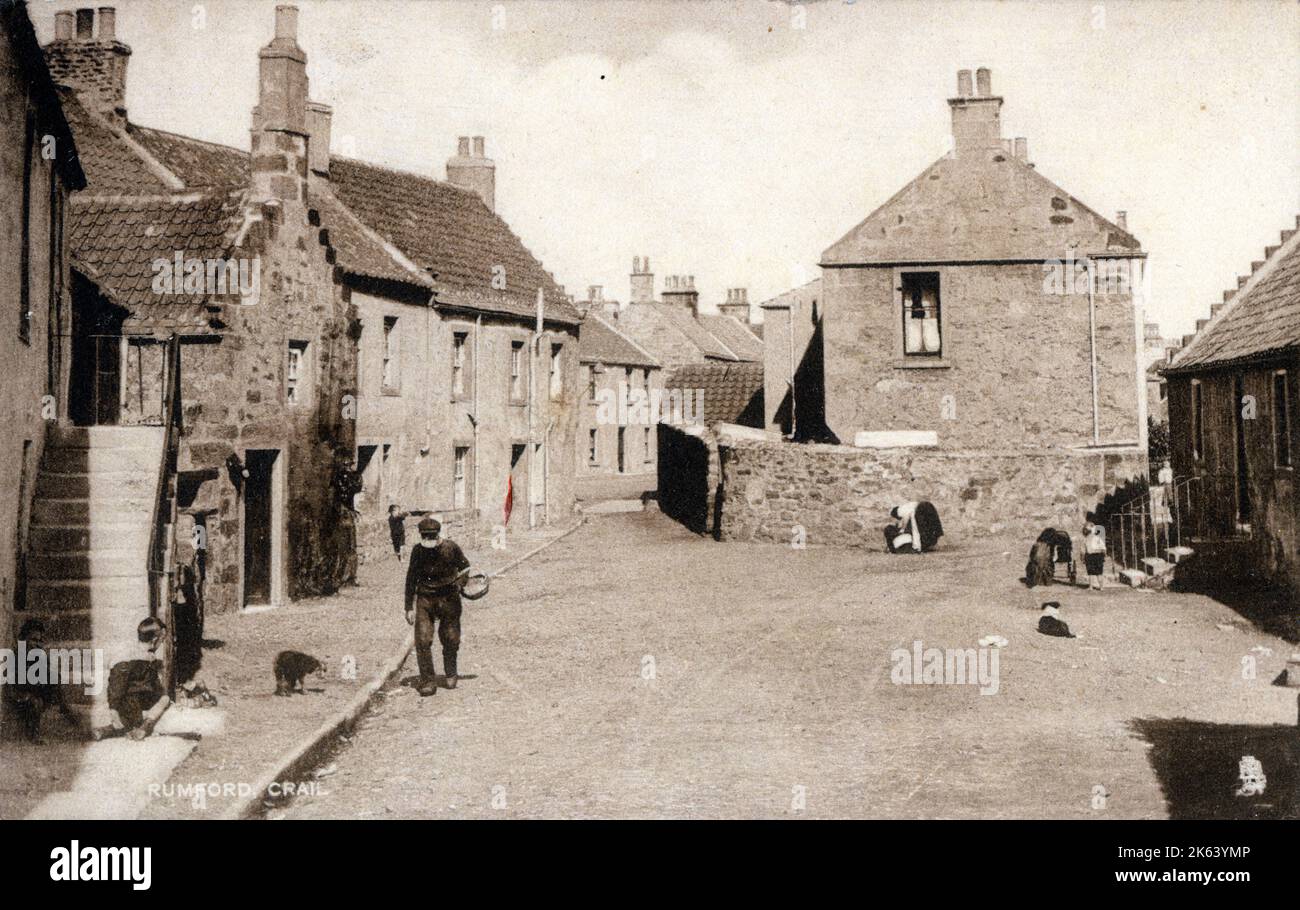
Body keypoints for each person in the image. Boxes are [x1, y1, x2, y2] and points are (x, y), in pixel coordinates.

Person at [404, 517, 471, 696]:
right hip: (425, 599)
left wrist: (460, 584)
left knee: (451, 638)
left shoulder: (451, 548)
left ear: (438, 534)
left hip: (449, 598)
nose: (428, 539)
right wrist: (408, 607)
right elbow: (411, 578)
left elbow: (465, 567)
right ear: (421, 535)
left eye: (431, 536)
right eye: (425, 536)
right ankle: (427, 681)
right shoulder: (417, 551)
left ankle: (450, 671)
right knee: (423, 639)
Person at [92, 617, 171, 741]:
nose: (161, 643)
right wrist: (114, 712)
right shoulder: (145, 659)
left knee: (125, 722)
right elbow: (153, 686)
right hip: (134, 702)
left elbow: (115, 686)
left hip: (125, 702)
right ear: (155, 640)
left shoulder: (127, 654)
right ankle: (146, 726)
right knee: (165, 698)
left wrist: (114, 708)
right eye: (161, 640)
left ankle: (108, 730)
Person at [1082, 518, 1106, 591]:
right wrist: (1103, 555)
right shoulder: (1098, 538)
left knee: (1090, 573)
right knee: (1100, 572)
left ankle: (1091, 587)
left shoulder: (1085, 539)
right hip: (1099, 555)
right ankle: (1101, 587)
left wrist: (1082, 557)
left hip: (1090, 556)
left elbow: (1083, 550)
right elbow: (1103, 548)